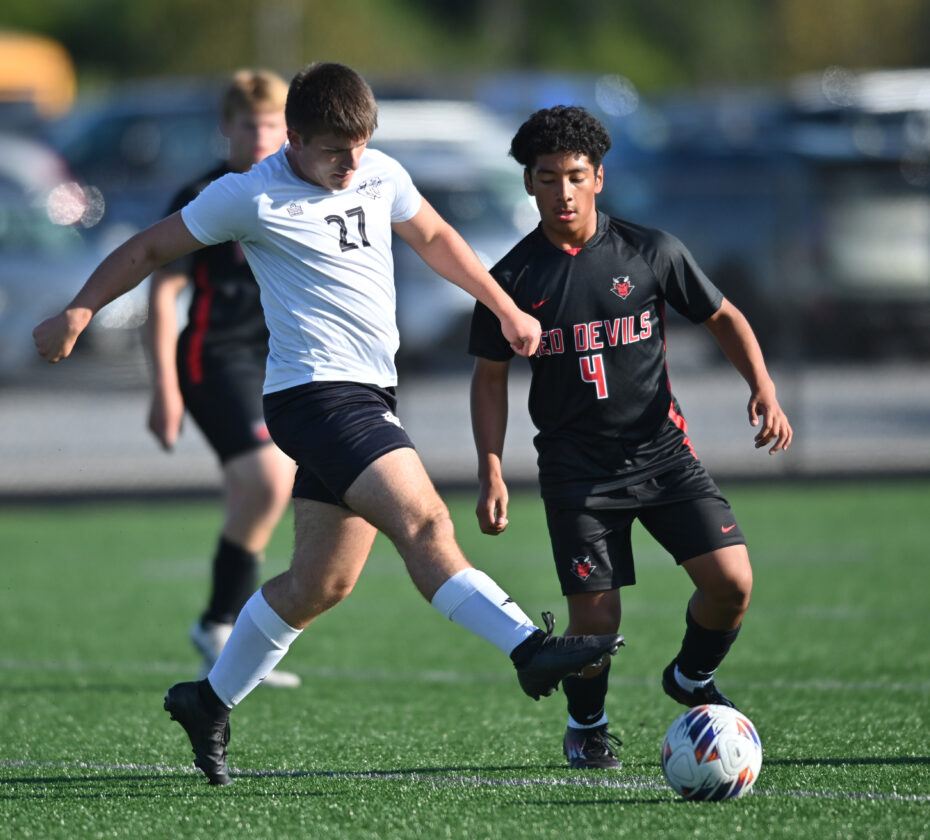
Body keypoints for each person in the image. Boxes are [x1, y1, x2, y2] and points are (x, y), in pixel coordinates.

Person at [33, 63, 624, 786]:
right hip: (313, 397)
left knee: (321, 583)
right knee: (426, 523)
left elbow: (435, 236)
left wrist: (503, 305)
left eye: (361, 146)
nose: (352, 163)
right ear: (295, 137)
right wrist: (82, 307)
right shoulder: (249, 194)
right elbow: (149, 249)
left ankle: (208, 700)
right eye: (335, 151)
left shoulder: (379, 172)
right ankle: (530, 649)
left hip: (370, 394)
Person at [468, 106, 792, 771]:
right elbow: (489, 380)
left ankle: (691, 680)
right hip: (576, 472)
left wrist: (762, 384)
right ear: (529, 184)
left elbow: (723, 316)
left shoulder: (650, 251)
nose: (563, 192)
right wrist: (491, 469)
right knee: (596, 622)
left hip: (662, 454)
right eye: (548, 177)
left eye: (576, 176)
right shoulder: (508, 282)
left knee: (732, 582)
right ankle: (587, 725)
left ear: (600, 178)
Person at [146, 69, 299, 688]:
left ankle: (219, 624)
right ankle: (223, 625)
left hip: (277, 360)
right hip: (214, 359)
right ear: (227, 127)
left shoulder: (293, 185)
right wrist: (163, 387)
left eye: (272, 124)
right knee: (266, 480)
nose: (261, 135)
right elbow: (163, 296)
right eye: (249, 124)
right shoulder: (204, 192)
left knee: (261, 488)